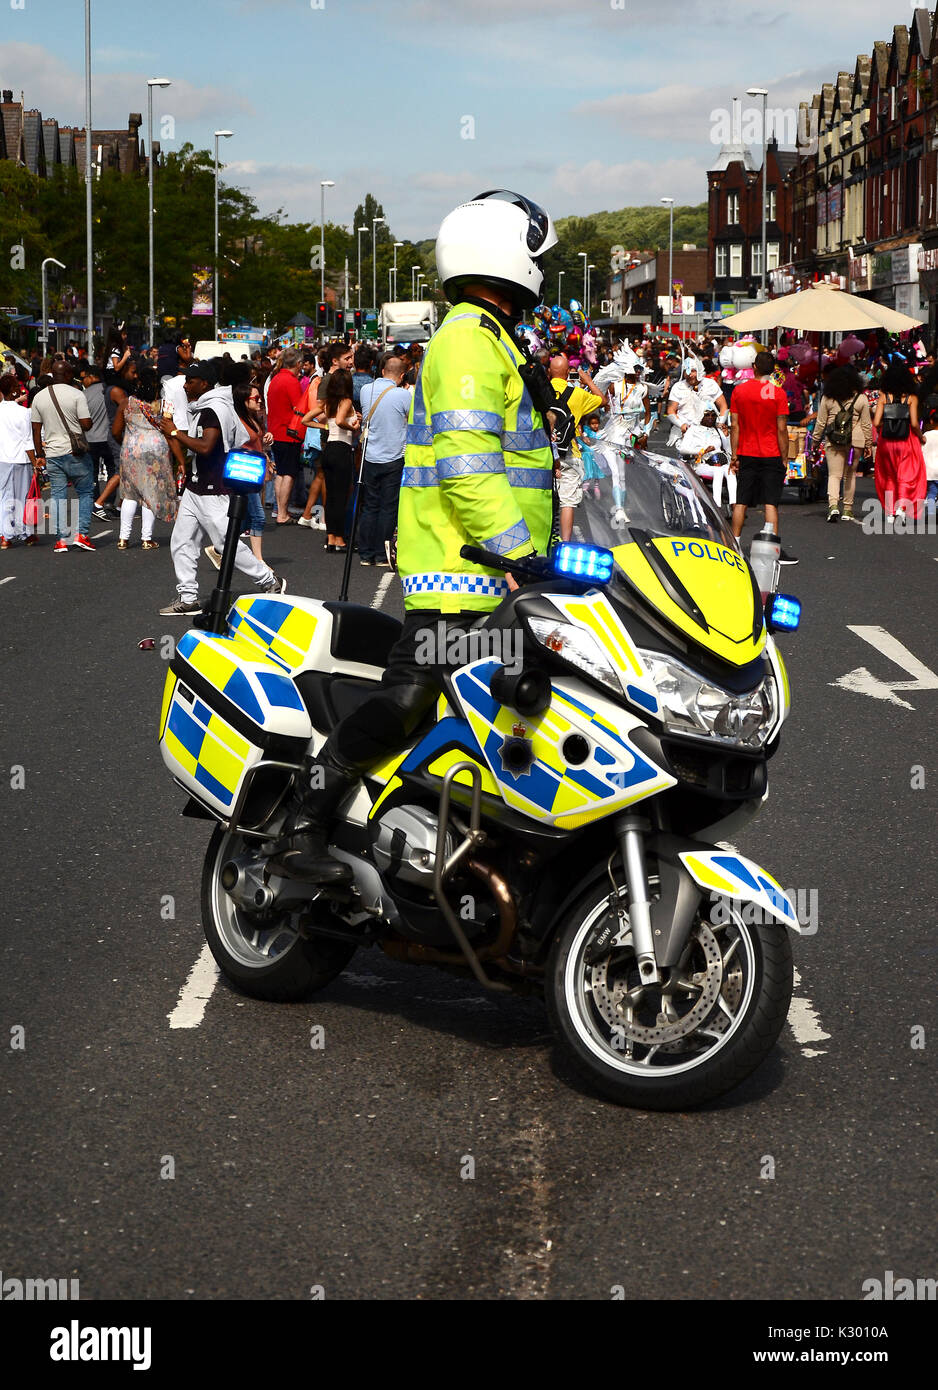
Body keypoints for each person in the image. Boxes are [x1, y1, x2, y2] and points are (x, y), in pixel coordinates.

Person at [277, 188, 557, 881]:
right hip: (462, 573)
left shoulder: (490, 336)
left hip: (495, 571)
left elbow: (509, 441)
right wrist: (522, 550)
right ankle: (302, 820)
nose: (543, 270)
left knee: (522, 712)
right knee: (411, 698)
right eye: (535, 256)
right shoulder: (467, 337)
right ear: (506, 256)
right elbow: (467, 467)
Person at [156, 364, 286, 615]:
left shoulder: (213, 409)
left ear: (204, 383)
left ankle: (269, 581)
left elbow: (205, 446)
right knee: (182, 541)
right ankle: (188, 597)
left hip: (213, 488)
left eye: (191, 381)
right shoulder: (214, 405)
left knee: (227, 544)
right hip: (197, 486)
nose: (185, 385)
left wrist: (173, 431)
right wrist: (173, 432)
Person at [729, 349, 797, 564]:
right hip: (771, 452)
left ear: (754, 367)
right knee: (770, 502)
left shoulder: (739, 391)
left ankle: (735, 545)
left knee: (741, 500)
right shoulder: (778, 393)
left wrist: (734, 455)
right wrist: (784, 457)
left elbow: (735, 425)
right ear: (773, 369)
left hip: (746, 451)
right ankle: (774, 549)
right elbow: (782, 429)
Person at [30, 361, 96, 553]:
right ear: (67, 375)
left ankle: (61, 540)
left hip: (52, 454)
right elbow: (86, 424)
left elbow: (36, 430)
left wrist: (39, 455)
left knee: (58, 496)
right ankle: (81, 535)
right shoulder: (76, 394)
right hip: (74, 452)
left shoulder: (39, 397)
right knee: (84, 492)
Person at [111, 370, 179, 549]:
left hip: (131, 451)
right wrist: (179, 459)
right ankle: (146, 539)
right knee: (151, 494)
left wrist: (127, 443)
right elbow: (171, 433)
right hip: (157, 451)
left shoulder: (127, 402)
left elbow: (115, 431)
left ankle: (123, 539)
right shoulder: (165, 406)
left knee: (129, 494)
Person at [357, 352, 411, 566]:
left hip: (369, 456)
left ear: (381, 371)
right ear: (402, 375)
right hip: (394, 456)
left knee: (370, 505)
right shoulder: (403, 395)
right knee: (388, 507)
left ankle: (365, 553)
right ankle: (382, 554)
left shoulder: (365, 391)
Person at [548, 351, 604, 542]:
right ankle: (564, 543)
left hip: (544, 452)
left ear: (549, 372)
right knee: (567, 502)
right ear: (567, 374)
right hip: (569, 453)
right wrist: (587, 380)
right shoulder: (578, 394)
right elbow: (601, 400)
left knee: (543, 498)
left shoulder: (539, 390)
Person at [812, 366, 872, 523]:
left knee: (834, 475)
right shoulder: (861, 398)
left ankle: (833, 506)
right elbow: (866, 424)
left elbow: (821, 422)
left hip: (834, 440)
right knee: (850, 475)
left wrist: (815, 440)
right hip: (856, 441)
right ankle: (847, 509)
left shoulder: (828, 398)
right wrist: (868, 444)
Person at [871, 363, 927, 524]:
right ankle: (901, 509)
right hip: (906, 440)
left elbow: (876, 422)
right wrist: (921, 437)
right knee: (905, 475)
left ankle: (889, 513)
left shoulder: (883, 396)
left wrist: (887, 426)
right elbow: (915, 423)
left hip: (887, 441)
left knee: (889, 476)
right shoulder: (911, 398)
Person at [319, 368, 360, 552]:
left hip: (329, 448)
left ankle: (331, 537)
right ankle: (339, 539)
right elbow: (341, 420)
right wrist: (353, 427)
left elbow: (308, 418)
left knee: (331, 495)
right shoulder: (347, 401)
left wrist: (324, 425)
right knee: (341, 495)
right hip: (341, 449)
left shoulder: (329, 403)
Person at [265, 348, 305, 524]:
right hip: (289, 433)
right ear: (298, 364)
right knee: (288, 473)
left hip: (275, 431)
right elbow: (299, 407)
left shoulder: (275, 379)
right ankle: (282, 513)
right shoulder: (291, 381)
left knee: (280, 473)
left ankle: (279, 510)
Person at [0, 373, 40, 548]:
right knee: (23, 497)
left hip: (2, 459)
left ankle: (5, 536)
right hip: (21, 459)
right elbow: (27, 441)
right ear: (14, 391)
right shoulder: (24, 413)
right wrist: (35, 462)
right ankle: (26, 533)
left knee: (4, 497)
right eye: (17, 387)